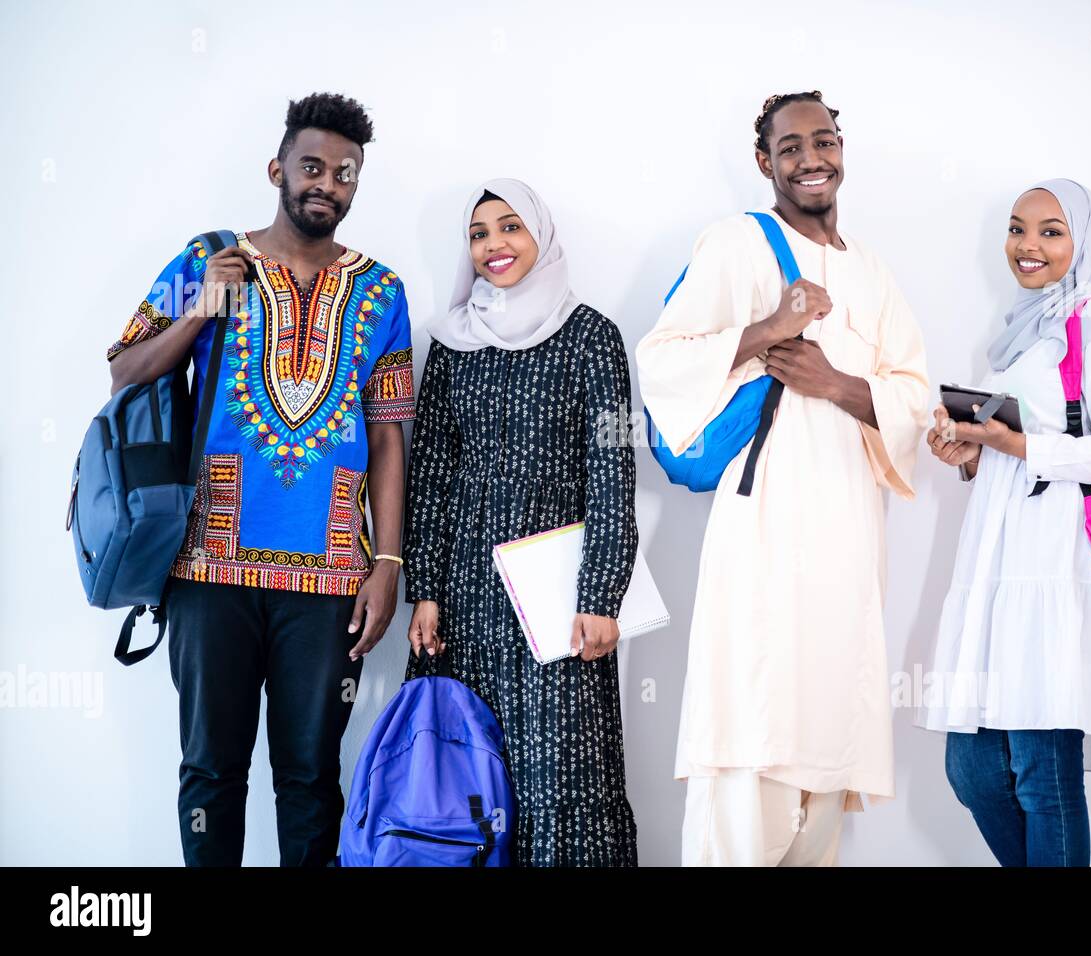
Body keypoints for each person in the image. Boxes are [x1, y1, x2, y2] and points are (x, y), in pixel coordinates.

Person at [105, 93, 416, 866]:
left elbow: (388, 437)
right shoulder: (209, 257)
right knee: (212, 771)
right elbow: (122, 373)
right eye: (312, 166)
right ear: (277, 169)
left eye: (345, 174)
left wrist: (388, 563)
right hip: (209, 564)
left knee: (311, 778)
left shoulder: (383, 292)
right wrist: (200, 311)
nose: (328, 184)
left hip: (331, 576)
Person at [636, 91, 930, 866]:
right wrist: (771, 327)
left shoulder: (871, 269)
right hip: (763, 533)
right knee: (751, 743)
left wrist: (836, 382)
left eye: (823, 140)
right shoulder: (737, 245)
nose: (811, 159)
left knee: (824, 768)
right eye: (790, 147)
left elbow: (915, 395)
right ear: (764, 163)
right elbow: (662, 359)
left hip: (849, 541)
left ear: (842, 150)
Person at [403, 178, 639, 867]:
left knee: (560, 774)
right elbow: (433, 475)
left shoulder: (593, 337)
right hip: (466, 597)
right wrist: (425, 587)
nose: (493, 245)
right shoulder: (452, 344)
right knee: (467, 782)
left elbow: (614, 472)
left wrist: (600, 597)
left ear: (541, 235)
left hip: (557, 601)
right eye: (478, 234)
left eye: (510, 227)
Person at [917, 179, 1091, 867]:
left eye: (1051, 231)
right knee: (976, 771)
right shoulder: (1027, 330)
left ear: (1085, 241)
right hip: (998, 566)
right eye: (1018, 229)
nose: (1028, 245)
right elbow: (1022, 442)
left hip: (1055, 571)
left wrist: (1017, 446)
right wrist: (968, 452)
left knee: (1042, 777)